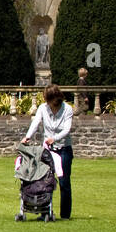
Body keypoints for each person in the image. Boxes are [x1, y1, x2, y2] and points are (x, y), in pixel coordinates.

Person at [22, 84, 74, 219]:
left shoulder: (67, 109)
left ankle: (65, 215)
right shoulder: (43, 108)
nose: (47, 103)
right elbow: (35, 123)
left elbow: (67, 129)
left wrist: (54, 138)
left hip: (63, 148)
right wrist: (27, 136)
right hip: (47, 150)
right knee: (44, 181)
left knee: (63, 182)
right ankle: (45, 211)